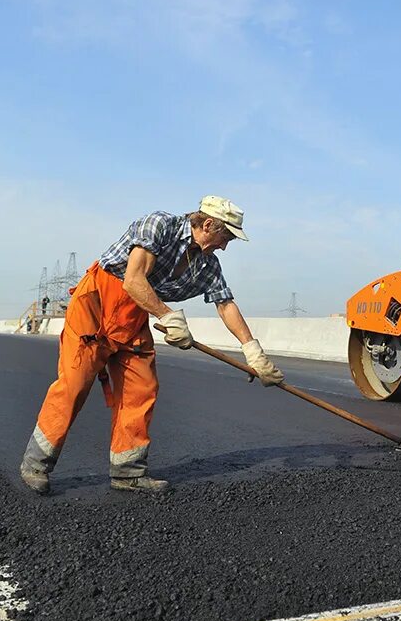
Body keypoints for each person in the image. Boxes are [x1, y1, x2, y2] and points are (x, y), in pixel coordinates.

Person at [19, 195, 284, 495]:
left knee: (141, 387)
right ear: (208, 224)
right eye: (226, 237)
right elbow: (133, 280)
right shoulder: (160, 225)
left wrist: (253, 351)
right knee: (75, 384)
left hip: (134, 315)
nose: (225, 246)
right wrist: (169, 317)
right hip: (97, 303)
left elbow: (225, 304)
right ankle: (36, 464)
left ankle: (128, 472)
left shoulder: (207, 266)